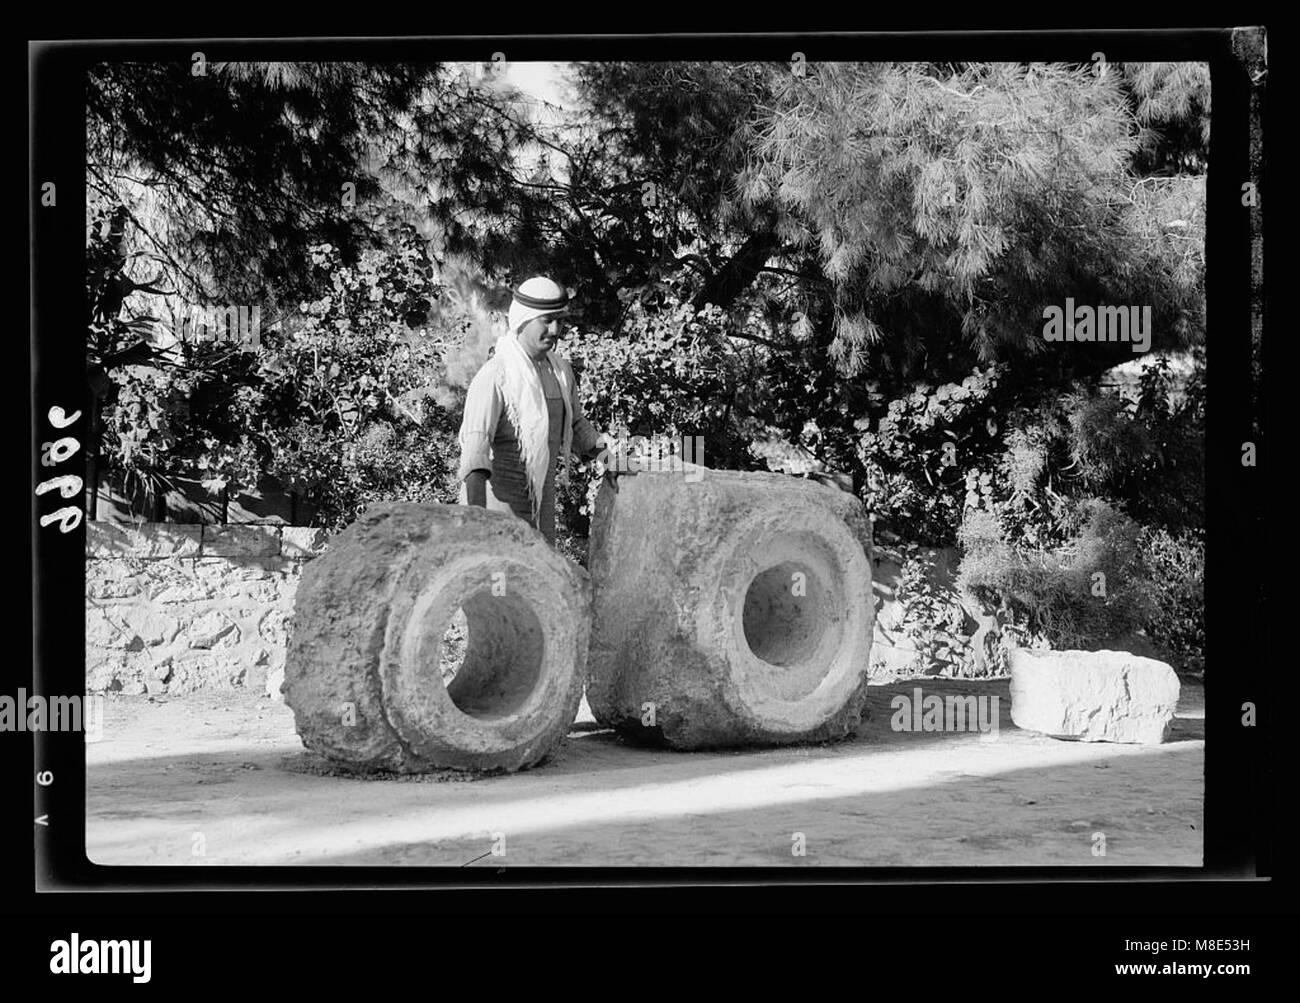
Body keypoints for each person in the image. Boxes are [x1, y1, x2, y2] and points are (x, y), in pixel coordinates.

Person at [457, 276, 613, 545]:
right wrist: (475, 524)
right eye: (546, 320)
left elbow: (575, 426)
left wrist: (611, 459)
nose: (555, 329)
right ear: (524, 320)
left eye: (560, 320)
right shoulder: (496, 376)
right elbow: (475, 456)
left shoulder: (561, 372)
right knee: (499, 586)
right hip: (497, 519)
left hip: (540, 512)